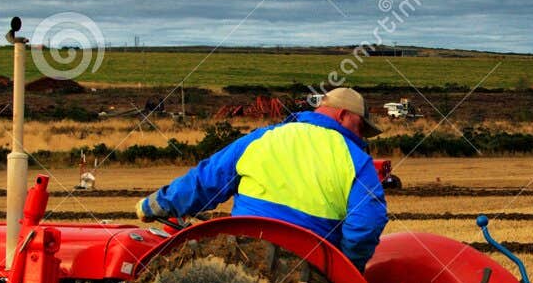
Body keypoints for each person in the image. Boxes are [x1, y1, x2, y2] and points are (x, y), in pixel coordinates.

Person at [136, 87, 388, 270]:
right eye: (361, 127)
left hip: (243, 254)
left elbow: (206, 180)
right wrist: (346, 266)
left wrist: (155, 204)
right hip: (311, 266)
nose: (362, 136)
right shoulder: (356, 160)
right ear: (343, 115)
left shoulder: (263, 138)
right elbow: (367, 223)